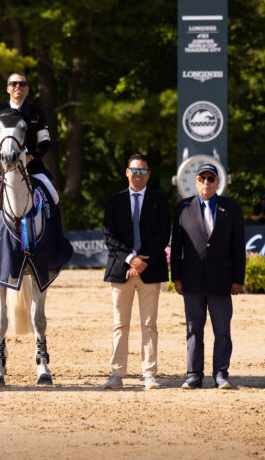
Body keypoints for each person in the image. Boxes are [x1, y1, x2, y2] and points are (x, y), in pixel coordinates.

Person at [171, 163, 245, 390]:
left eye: (210, 179)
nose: (206, 183)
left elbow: (238, 247)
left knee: (222, 330)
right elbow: (176, 246)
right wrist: (176, 277)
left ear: (217, 183)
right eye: (202, 178)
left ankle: (221, 374)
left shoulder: (231, 208)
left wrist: (238, 279)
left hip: (222, 281)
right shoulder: (183, 207)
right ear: (196, 182)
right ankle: (194, 375)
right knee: (194, 329)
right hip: (192, 280)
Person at [100, 154, 171, 391]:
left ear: (148, 175)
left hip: (150, 270)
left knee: (149, 325)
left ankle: (149, 373)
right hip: (122, 271)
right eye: (135, 170)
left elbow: (162, 234)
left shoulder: (160, 200)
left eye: (143, 171)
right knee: (120, 324)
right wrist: (131, 260)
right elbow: (109, 236)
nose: (138, 175)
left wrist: (141, 262)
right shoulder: (113, 201)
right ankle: (116, 374)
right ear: (127, 172)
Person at [0, 72, 58, 222]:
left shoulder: (37, 113)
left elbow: (45, 143)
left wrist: (31, 157)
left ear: (27, 89)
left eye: (22, 84)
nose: (18, 86)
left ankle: (58, 240)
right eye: (13, 83)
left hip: (32, 167)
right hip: (1, 168)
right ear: (8, 88)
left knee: (54, 196)